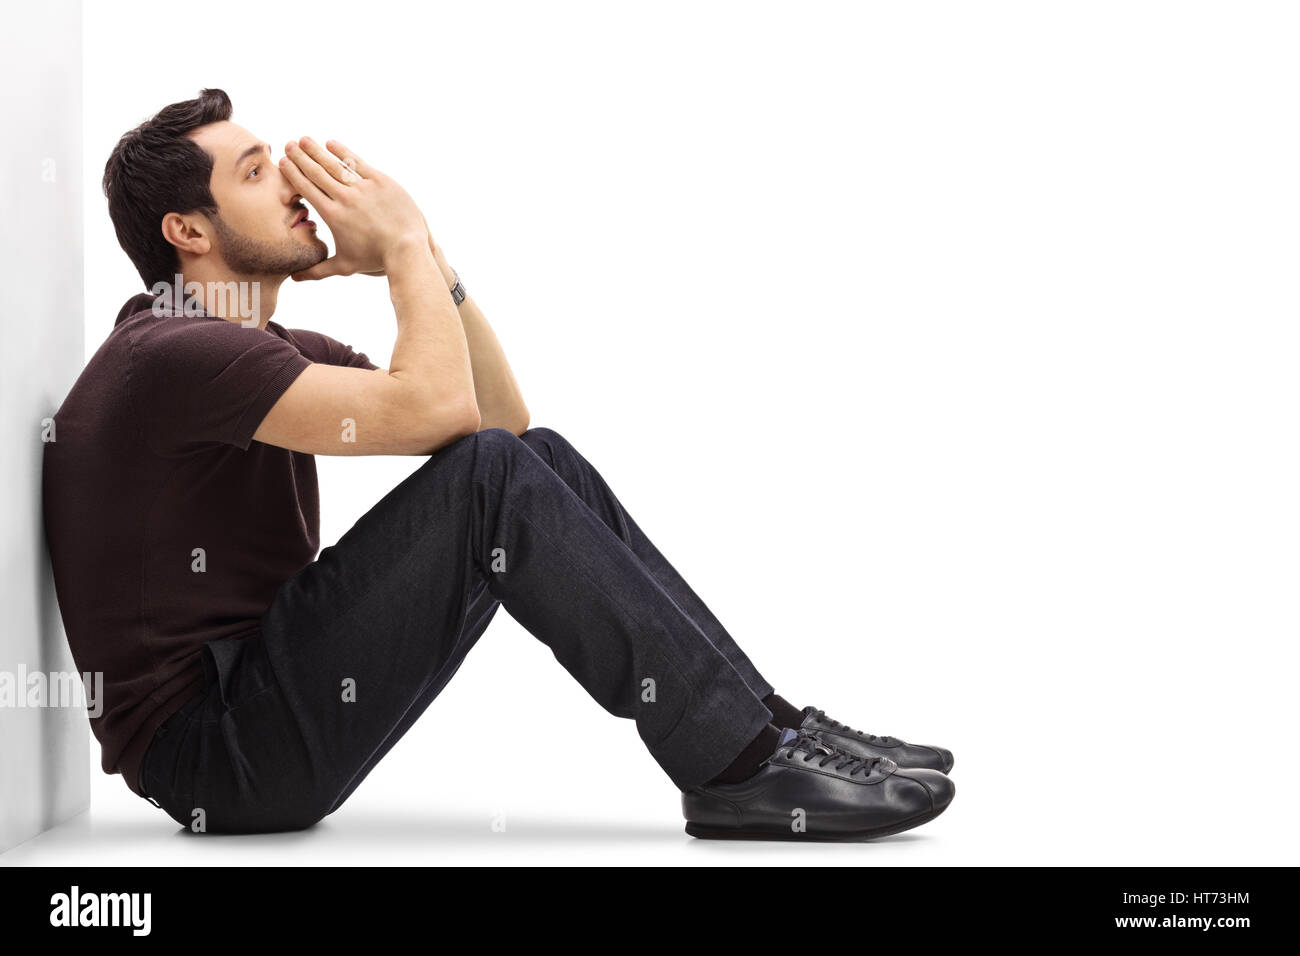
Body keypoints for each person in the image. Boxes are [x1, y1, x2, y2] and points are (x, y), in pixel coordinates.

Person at [43, 88, 956, 841]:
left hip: (263, 695)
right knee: (490, 477)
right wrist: (398, 244)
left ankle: (773, 730)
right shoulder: (169, 354)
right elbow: (453, 425)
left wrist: (430, 257)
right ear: (188, 232)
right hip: (217, 752)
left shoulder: (262, 350)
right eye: (252, 173)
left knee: (531, 459)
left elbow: (501, 419)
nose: (288, 181)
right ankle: (743, 767)